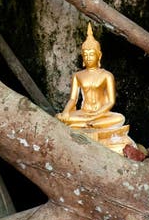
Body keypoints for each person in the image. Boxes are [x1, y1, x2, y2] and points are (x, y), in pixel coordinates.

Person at [57, 23, 135, 152]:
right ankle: (88, 125)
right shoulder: (78, 75)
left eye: (91, 54)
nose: (88, 58)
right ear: (82, 57)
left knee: (119, 118)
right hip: (83, 113)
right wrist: (66, 112)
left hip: (101, 114)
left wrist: (96, 115)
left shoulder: (106, 75)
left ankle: (90, 125)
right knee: (59, 117)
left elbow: (111, 101)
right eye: (85, 55)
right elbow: (73, 99)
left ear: (99, 56)